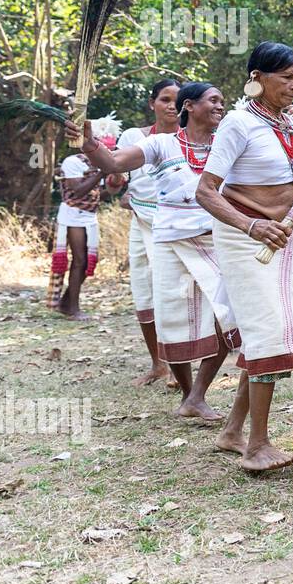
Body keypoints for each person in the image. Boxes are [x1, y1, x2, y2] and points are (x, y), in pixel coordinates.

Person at [70, 84, 239, 419]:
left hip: (215, 240)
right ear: (189, 106)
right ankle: (190, 397)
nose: (221, 106)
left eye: (223, 101)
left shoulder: (227, 144)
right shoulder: (161, 144)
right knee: (172, 319)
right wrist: (89, 144)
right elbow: (113, 161)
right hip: (170, 243)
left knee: (227, 314)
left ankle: (198, 394)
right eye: (214, 100)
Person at [195, 43, 293, 473]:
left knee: (263, 332)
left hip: (282, 237)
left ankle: (233, 431)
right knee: (269, 333)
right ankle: (257, 446)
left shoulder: (288, 123)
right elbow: (205, 191)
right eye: (286, 77)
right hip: (246, 239)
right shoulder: (238, 122)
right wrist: (251, 226)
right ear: (257, 77)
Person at [117, 79, 180, 386]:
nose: (172, 106)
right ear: (152, 103)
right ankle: (158, 365)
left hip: (175, 223)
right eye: (165, 99)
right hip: (139, 219)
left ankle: (179, 365)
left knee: (171, 292)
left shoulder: (189, 139)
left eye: (177, 100)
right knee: (143, 291)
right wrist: (117, 186)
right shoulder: (133, 136)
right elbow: (117, 180)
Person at [51, 115, 122, 319]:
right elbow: (79, 191)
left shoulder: (99, 165)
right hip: (72, 215)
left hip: (89, 217)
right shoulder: (73, 162)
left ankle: (66, 303)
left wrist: (114, 185)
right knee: (80, 260)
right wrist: (102, 172)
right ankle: (73, 309)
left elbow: (99, 194)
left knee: (88, 261)